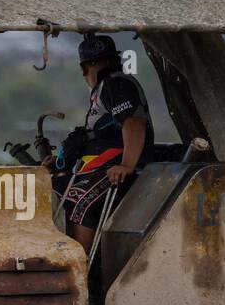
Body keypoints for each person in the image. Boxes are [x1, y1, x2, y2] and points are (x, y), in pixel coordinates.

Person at [44, 34, 154, 256]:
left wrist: (126, 165)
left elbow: (134, 122)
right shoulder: (103, 89)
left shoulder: (115, 84)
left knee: (79, 201)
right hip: (95, 170)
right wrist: (60, 162)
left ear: (87, 67)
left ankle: (80, 269)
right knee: (50, 189)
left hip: (115, 172)